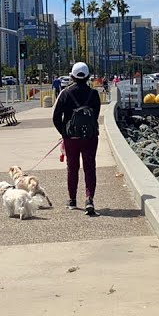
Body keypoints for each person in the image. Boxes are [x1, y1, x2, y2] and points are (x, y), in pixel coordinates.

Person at [52, 62, 101, 216]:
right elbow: (96, 115)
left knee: (72, 168)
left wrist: (64, 133)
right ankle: (89, 199)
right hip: (90, 137)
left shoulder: (65, 93)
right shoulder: (94, 94)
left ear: (72, 76)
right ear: (88, 77)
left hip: (71, 137)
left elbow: (55, 117)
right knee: (89, 167)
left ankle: (72, 200)